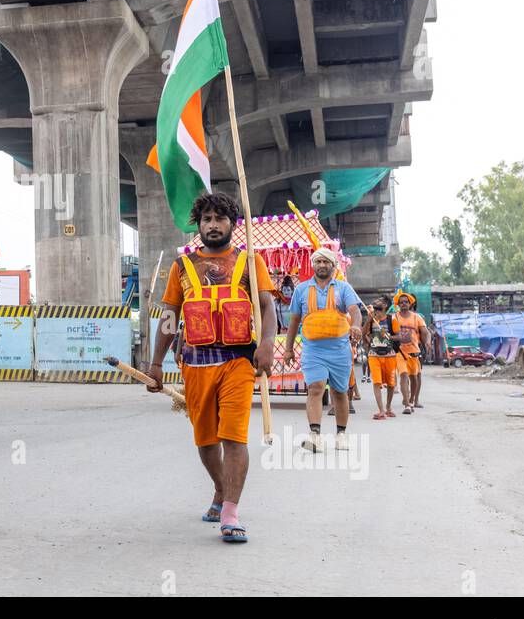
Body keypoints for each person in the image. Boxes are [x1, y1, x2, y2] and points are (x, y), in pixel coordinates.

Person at [147, 192, 276, 543]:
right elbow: (170, 315)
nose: (213, 224)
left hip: (238, 360)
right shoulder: (182, 266)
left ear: (232, 224)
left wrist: (266, 345)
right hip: (195, 362)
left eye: (220, 218)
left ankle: (231, 514)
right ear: (199, 225)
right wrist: (155, 362)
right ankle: (221, 489)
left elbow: (266, 307)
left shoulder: (250, 262)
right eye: (207, 219)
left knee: (233, 436)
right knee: (205, 441)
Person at [282, 248, 363, 452]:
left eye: (326, 262)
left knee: (339, 392)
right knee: (316, 387)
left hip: (339, 350)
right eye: (318, 262)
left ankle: (341, 434)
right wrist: (288, 349)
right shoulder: (301, 289)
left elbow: (355, 311)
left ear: (333, 266)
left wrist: (356, 325)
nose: (322, 265)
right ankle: (315, 435)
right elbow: (294, 321)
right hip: (313, 350)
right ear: (313, 265)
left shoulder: (344, 288)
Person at [363, 296, 403, 419]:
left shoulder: (392, 319)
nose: (376, 302)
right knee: (376, 382)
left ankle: (388, 407)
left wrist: (389, 337)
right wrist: (368, 320)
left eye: (379, 301)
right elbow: (363, 332)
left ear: (385, 305)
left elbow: (399, 337)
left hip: (389, 356)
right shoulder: (371, 319)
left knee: (391, 384)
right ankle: (381, 411)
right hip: (374, 355)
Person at [391, 292, 432, 412]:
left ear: (410, 304)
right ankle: (407, 404)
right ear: (398, 304)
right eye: (401, 302)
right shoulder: (394, 317)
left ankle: (413, 399)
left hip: (414, 352)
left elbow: (426, 332)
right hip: (400, 352)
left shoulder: (416, 317)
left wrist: (428, 342)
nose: (403, 304)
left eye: (406, 302)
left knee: (414, 378)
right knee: (403, 375)